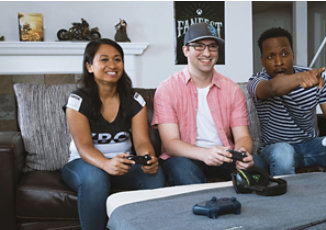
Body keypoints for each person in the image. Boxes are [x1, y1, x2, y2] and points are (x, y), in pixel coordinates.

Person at [61, 38, 165, 230]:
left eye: (117, 59)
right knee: (95, 178)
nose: (112, 65)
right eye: (104, 59)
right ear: (89, 66)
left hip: (123, 163)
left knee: (154, 176)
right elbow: (84, 146)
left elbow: (142, 141)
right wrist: (106, 164)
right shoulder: (77, 100)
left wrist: (148, 159)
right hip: (84, 163)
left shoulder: (134, 100)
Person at [248, 27, 326, 179]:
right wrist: (300, 78)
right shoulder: (256, 82)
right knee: (283, 152)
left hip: (311, 147)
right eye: (270, 56)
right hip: (275, 150)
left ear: (293, 55)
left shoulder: (316, 78)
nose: (279, 62)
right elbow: (273, 88)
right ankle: (290, 203)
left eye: (284, 54)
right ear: (262, 60)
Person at [152, 22, 266, 185]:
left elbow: (243, 136)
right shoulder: (167, 89)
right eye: (199, 46)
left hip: (224, 155)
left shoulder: (232, 89)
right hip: (184, 158)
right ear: (186, 50)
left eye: (212, 46)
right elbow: (170, 144)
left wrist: (242, 152)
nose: (207, 52)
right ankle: (205, 209)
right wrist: (204, 154)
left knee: (257, 164)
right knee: (182, 170)